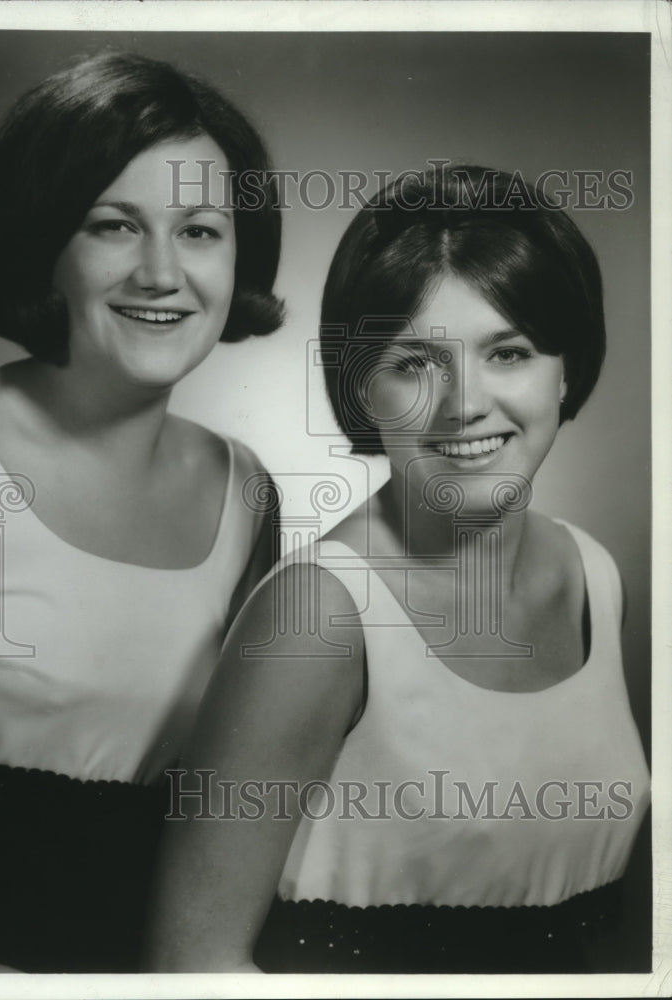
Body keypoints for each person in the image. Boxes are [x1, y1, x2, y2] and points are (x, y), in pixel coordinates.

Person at [144, 165, 651, 974]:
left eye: (508, 352)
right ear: (362, 389)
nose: (463, 405)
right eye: (413, 363)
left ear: (565, 369)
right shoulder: (317, 615)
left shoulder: (593, 574)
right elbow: (190, 965)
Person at [0, 51, 283, 973]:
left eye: (199, 231)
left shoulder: (248, 493)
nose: (161, 272)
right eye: (114, 225)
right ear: (44, 242)